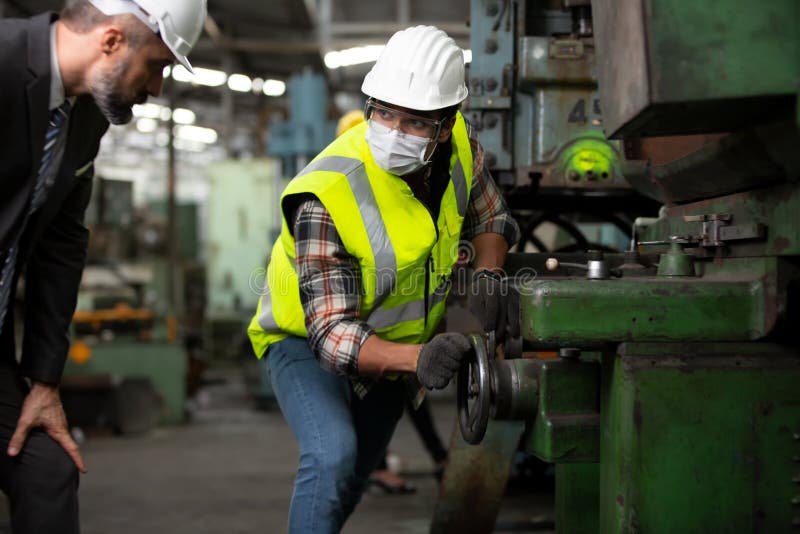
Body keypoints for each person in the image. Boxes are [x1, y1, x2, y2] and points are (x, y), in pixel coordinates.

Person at [248, 25, 520, 532]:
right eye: (383, 112)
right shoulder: (326, 194)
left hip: (394, 343)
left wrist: (487, 276)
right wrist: (419, 359)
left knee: (354, 476)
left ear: (446, 125)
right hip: (301, 337)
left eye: (414, 121)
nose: (393, 131)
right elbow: (331, 335)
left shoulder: (461, 149)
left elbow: (491, 217)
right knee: (332, 455)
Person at [0, 1, 205, 531]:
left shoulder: (84, 116)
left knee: (47, 470)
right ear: (111, 40)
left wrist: (43, 380)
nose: (156, 87)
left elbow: (61, 243)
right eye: (155, 65)